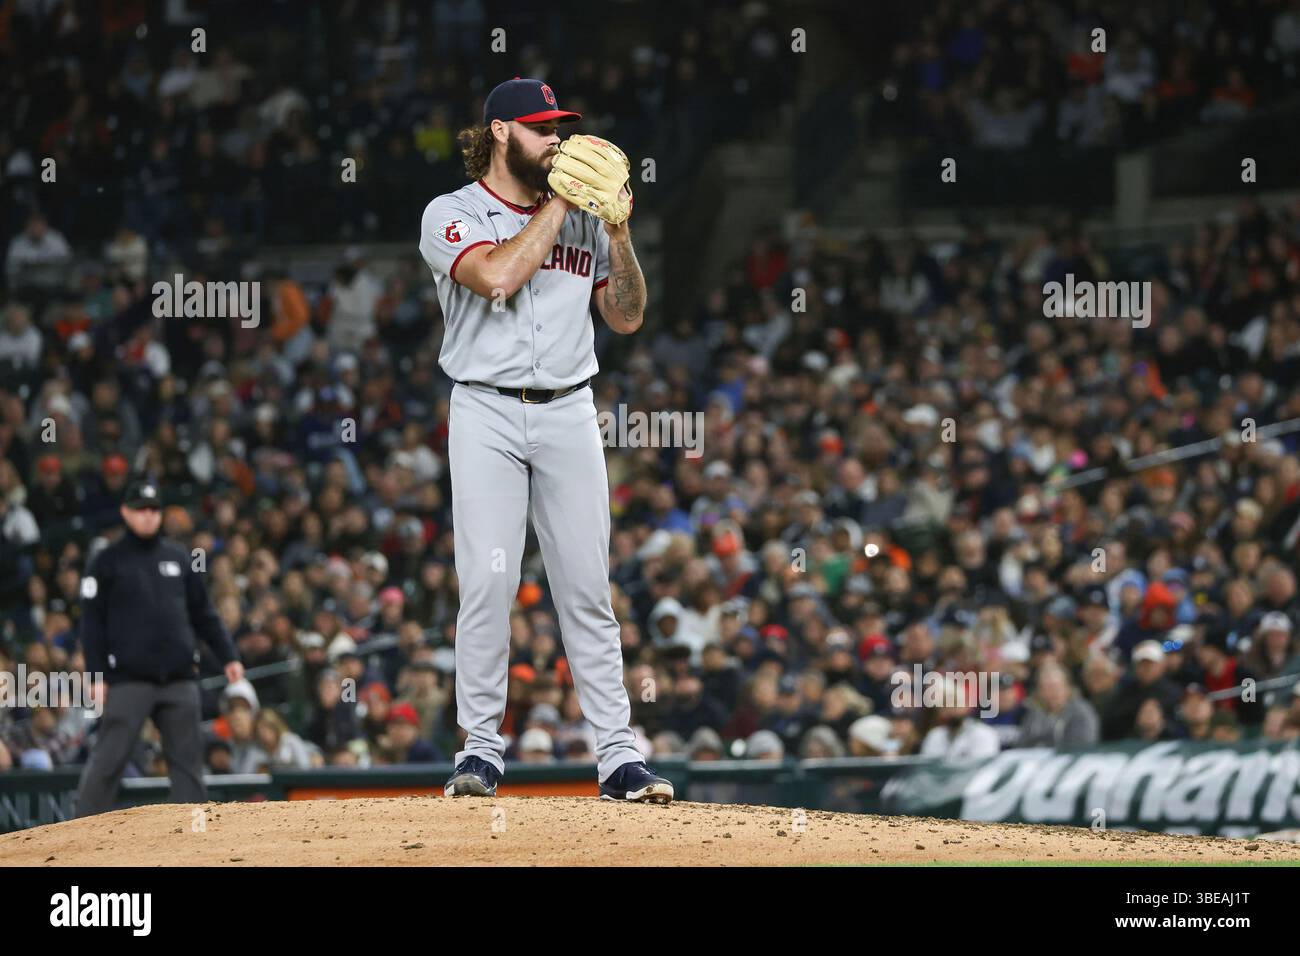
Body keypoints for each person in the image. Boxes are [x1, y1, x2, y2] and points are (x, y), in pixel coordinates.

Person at [419, 77, 669, 803]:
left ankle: (619, 758)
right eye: (539, 128)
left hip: (568, 410)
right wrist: (561, 202)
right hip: (486, 412)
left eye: (560, 127)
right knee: (490, 584)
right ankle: (481, 752)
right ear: (499, 132)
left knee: (588, 589)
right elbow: (496, 277)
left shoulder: (590, 221)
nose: (556, 140)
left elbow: (625, 318)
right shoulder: (453, 212)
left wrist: (618, 235)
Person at [74, 479, 244, 816]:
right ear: (125, 512)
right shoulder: (107, 560)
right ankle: (78, 829)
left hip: (179, 678)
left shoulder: (178, 557)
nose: (148, 516)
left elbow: (204, 612)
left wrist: (229, 656)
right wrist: (96, 675)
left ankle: (193, 839)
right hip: (129, 678)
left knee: (187, 763)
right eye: (141, 510)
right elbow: (91, 624)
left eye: (153, 510)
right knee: (109, 758)